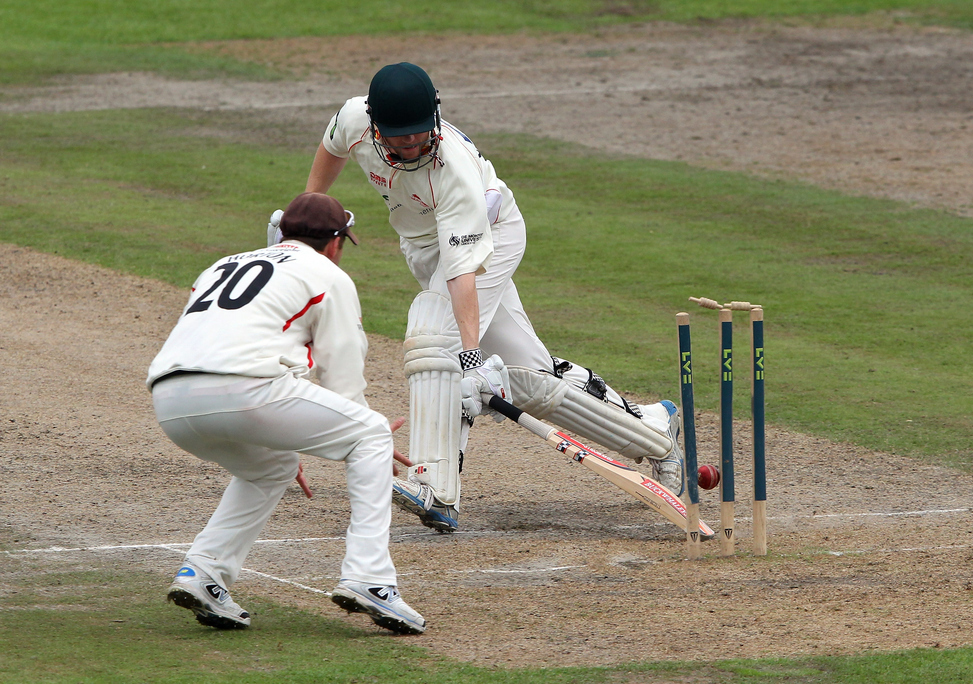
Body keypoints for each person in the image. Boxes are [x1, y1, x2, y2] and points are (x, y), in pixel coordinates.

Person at [268, 62, 684, 534]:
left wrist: (468, 355)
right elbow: (331, 149)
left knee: (434, 337)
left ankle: (435, 486)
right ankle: (653, 432)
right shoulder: (354, 118)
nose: (412, 146)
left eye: (420, 135)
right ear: (376, 126)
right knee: (526, 378)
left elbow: (462, 273)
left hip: (491, 234)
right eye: (400, 139)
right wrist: (306, 217)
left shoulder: (453, 170)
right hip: (424, 245)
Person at [149, 192, 425, 634]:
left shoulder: (221, 264)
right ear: (336, 243)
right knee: (371, 432)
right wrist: (358, 429)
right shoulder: (328, 275)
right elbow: (343, 371)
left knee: (271, 466)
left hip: (171, 400)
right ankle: (369, 579)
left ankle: (202, 573)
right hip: (244, 391)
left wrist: (287, 432)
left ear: (282, 232)